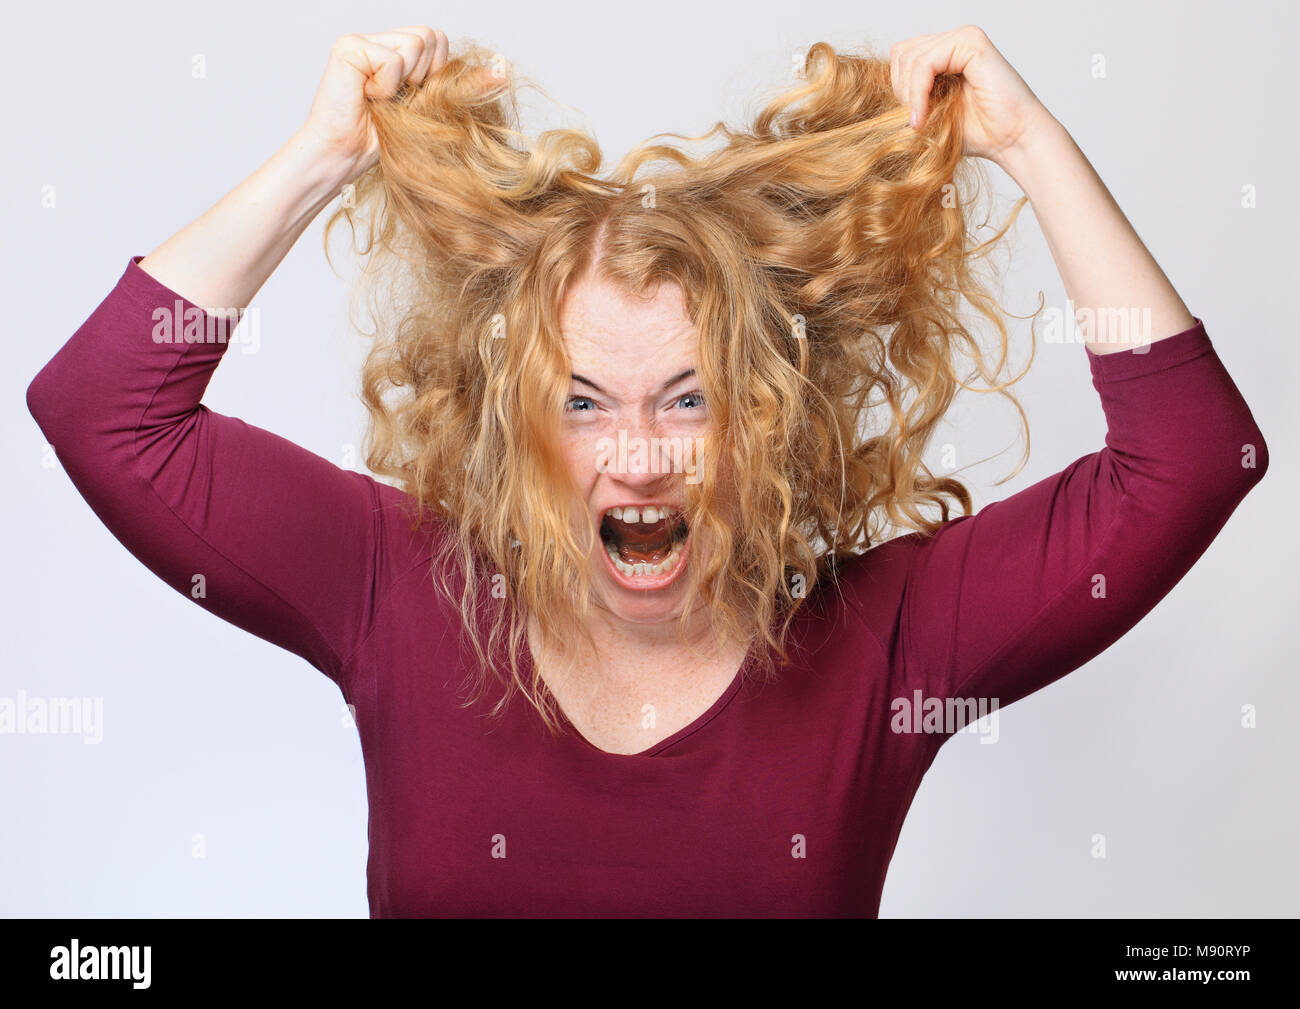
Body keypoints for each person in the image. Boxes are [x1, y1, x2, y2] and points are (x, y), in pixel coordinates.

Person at [26, 24, 1268, 917]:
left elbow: (1196, 459)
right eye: (581, 402)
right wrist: (322, 158)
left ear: (766, 416)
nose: (637, 457)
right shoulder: (398, 587)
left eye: (689, 399)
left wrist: (1026, 140)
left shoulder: (889, 645)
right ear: (514, 420)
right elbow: (101, 413)